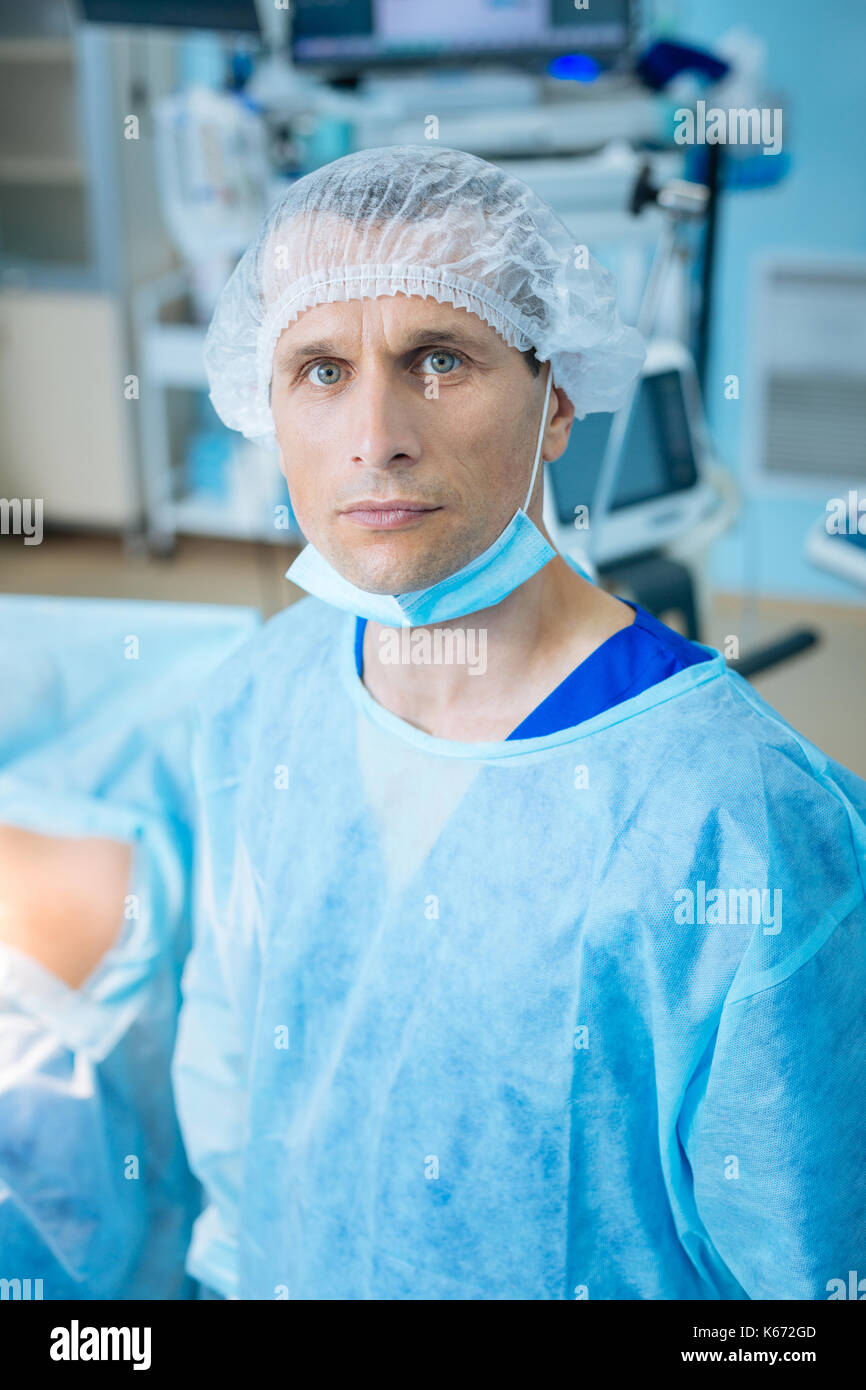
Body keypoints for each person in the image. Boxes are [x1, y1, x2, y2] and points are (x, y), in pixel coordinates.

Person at [171, 145, 866, 1301]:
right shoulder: (262, 704)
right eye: (319, 369)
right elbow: (233, 1077)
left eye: (438, 357)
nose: (375, 433)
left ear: (556, 403)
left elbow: (806, 1268)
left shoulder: (739, 823)